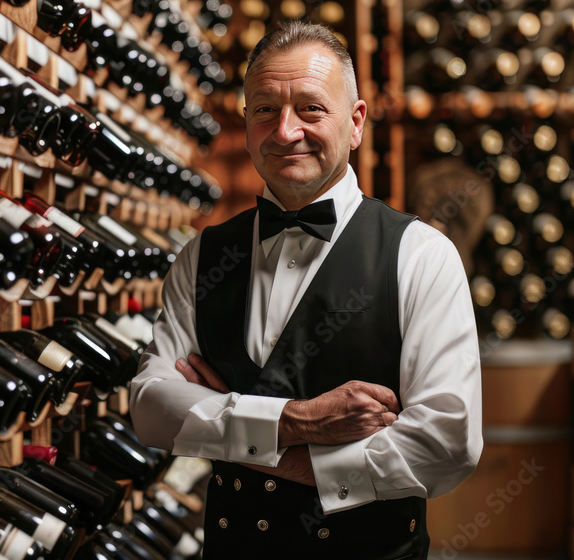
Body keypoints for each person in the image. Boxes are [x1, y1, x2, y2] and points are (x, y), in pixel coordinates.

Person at [129, 21, 482, 559]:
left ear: (356, 122)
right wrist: (300, 422)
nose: (285, 130)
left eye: (311, 109)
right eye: (265, 109)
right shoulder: (202, 256)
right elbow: (151, 407)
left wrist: (231, 429)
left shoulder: (422, 256)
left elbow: (447, 443)